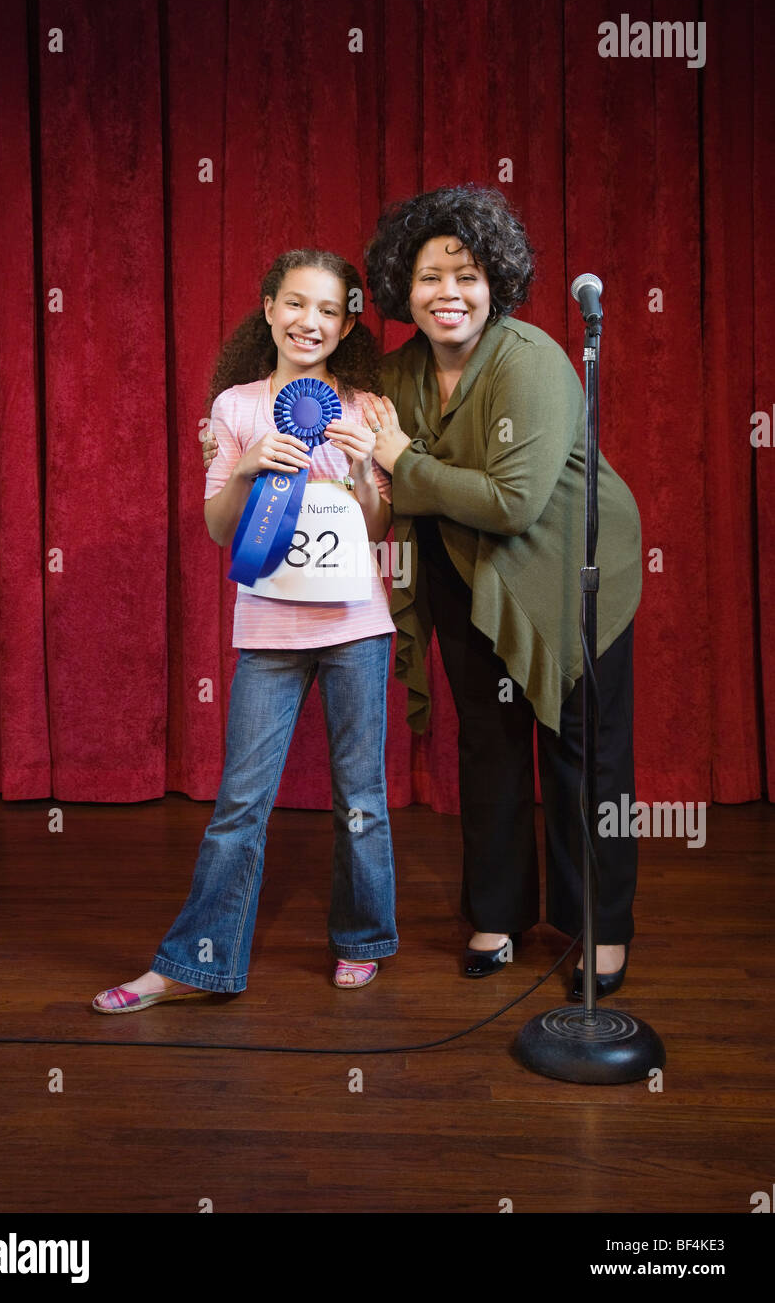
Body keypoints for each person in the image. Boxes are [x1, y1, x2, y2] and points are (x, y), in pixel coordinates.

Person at [93, 250, 398, 1013]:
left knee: (359, 795)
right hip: (267, 629)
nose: (310, 322)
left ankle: (362, 940)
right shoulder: (233, 408)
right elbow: (217, 528)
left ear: (346, 323)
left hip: (357, 625)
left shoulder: (366, 406)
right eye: (295, 304)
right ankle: (194, 963)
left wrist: (364, 471)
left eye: (328, 310)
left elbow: (379, 526)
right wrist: (244, 468)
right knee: (239, 803)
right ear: (268, 309)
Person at [360, 184, 641, 998]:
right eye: (429, 277)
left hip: (568, 575)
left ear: (498, 284)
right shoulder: (396, 370)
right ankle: (498, 912)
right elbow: (376, 470)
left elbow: (512, 503)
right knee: (486, 744)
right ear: (401, 290)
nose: (448, 292)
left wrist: (402, 464)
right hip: (463, 573)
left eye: (468, 275)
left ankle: (598, 926)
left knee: (580, 755)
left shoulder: (533, 360)